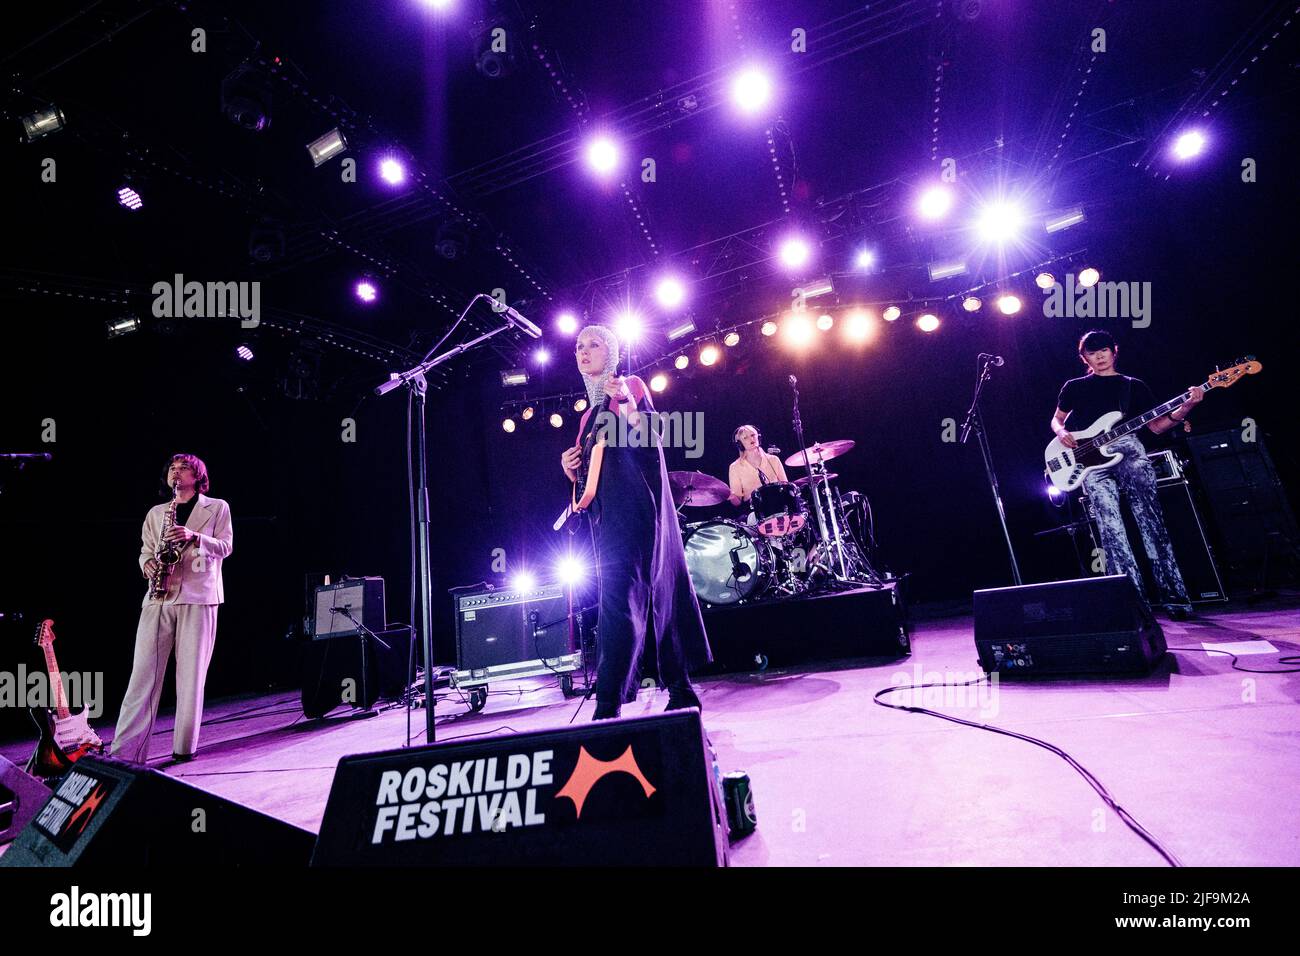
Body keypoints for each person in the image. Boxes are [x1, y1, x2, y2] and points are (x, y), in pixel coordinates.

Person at [560, 325, 711, 719]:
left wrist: (625, 401)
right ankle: (676, 691)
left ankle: (610, 703)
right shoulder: (587, 417)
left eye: (594, 344)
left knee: (653, 593)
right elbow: (588, 478)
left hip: (641, 508)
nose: (584, 351)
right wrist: (569, 467)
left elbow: (649, 433)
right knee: (621, 600)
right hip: (608, 518)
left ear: (610, 351)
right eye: (579, 346)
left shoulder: (630, 385)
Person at [1051, 330, 1201, 618]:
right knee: (1111, 532)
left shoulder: (1133, 386)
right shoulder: (1074, 387)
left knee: (1151, 521)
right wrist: (1062, 432)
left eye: (1104, 350)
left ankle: (1176, 598)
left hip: (1129, 452)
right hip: (1089, 461)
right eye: (1092, 352)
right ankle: (1131, 606)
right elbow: (1056, 419)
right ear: (1084, 358)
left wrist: (1187, 406)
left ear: (1114, 351)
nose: (1099, 356)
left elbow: (1156, 427)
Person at [112, 453, 233, 763]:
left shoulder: (217, 507)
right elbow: (144, 552)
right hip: (159, 596)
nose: (176, 472)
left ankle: (183, 749)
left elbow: (226, 547)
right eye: (172, 468)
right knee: (142, 676)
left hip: (199, 596)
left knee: (190, 677)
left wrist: (195, 537)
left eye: (184, 468)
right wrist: (148, 564)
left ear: (198, 476)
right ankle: (125, 754)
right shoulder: (157, 513)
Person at [727, 424, 788, 508]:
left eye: (753, 435)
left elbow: (786, 486)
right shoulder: (735, 467)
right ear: (740, 444)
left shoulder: (774, 459)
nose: (751, 439)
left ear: (758, 437)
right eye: (745, 438)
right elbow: (737, 502)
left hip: (779, 504)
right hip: (755, 510)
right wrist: (729, 495)